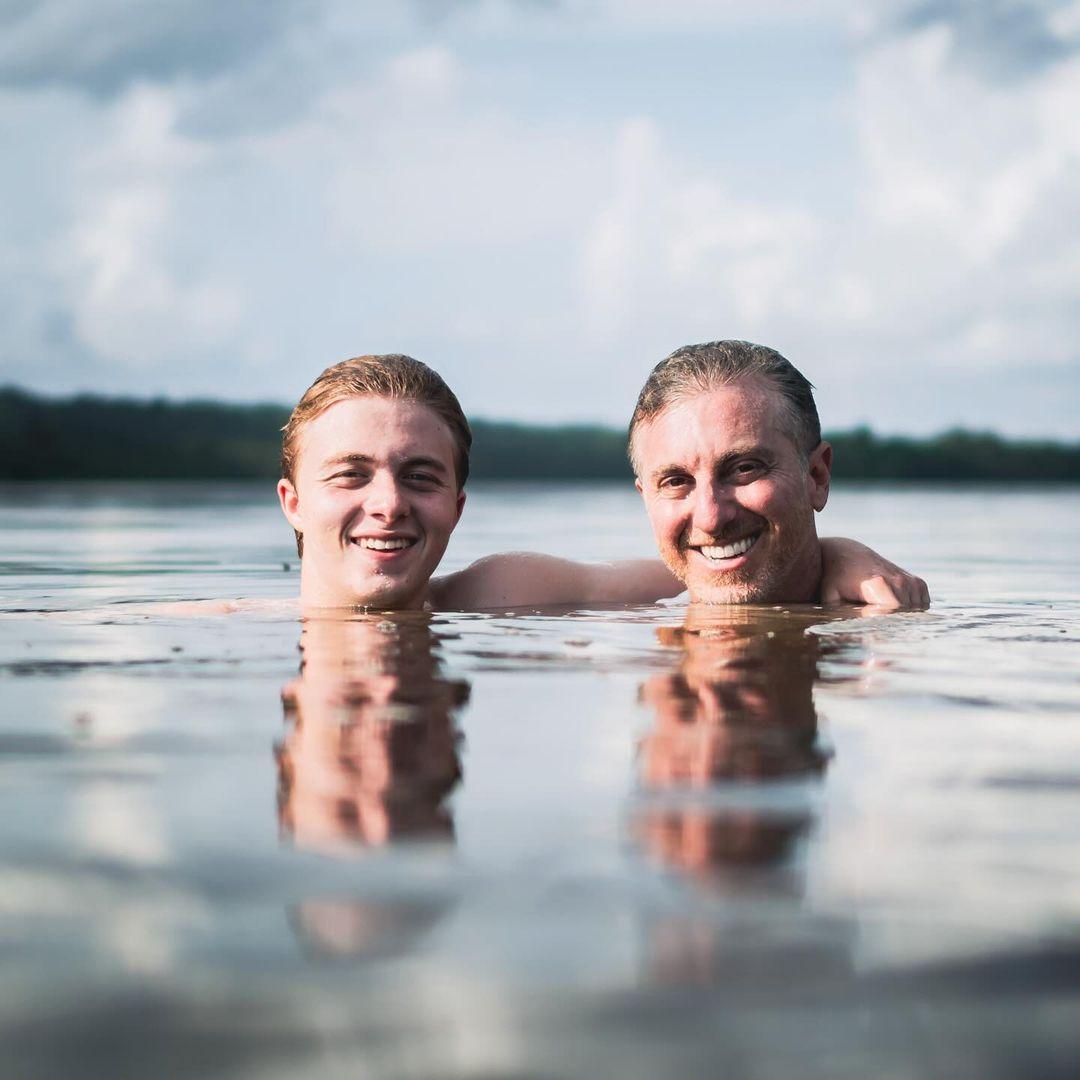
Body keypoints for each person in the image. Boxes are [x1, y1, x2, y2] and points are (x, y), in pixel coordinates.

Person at [277, 352, 927, 613]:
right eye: (351, 475)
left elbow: (704, 574)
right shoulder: (227, 632)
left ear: (457, 504)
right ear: (292, 502)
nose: (388, 504)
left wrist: (834, 552)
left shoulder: (495, 596)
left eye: (420, 477)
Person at [629, 340, 930, 607]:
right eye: (676, 482)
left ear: (817, 476)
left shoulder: (882, 632)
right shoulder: (626, 612)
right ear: (646, 499)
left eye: (744, 469)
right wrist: (837, 554)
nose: (711, 519)